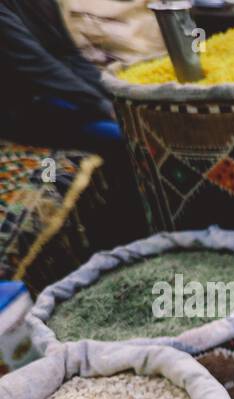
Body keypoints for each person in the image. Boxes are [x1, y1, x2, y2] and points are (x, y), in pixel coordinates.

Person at [0, 0, 145, 242]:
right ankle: (127, 235)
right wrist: (100, 106)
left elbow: (68, 55)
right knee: (121, 137)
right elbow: (37, 67)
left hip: (51, 94)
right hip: (19, 110)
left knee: (136, 120)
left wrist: (114, 96)